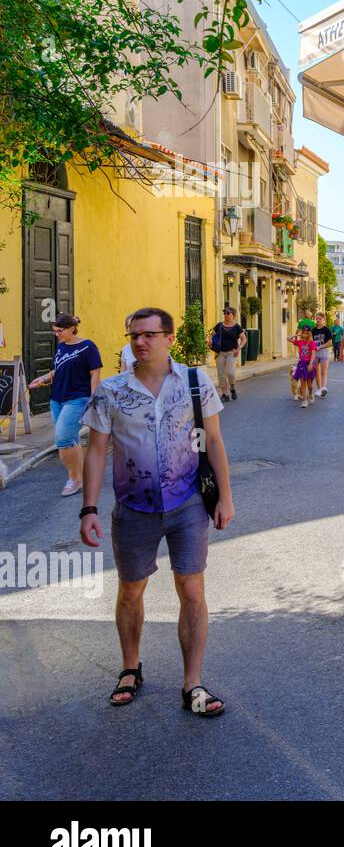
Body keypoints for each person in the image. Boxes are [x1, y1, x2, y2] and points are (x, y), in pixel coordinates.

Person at [80, 307, 234, 718]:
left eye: (149, 334)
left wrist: (225, 497)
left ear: (169, 337)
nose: (140, 342)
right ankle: (130, 669)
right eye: (134, 335)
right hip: (133, 508)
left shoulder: (196, 382)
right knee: (131, 590)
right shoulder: (112, 391)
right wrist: (89, 508)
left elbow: (214, 442)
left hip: (187, 504)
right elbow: (96, 452)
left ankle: (193, 684)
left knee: (193, 592)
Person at [27, 313, 102, 497]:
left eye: (60, 331)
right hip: (57, 399)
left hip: (77, 399)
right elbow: (59, 369)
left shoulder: (88, 347)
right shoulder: (61, 348)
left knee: (62, 440)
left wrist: (94, 400)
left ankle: (74, 478)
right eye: (55, 332)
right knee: (72, 439)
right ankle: (81, 476)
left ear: (72, 328)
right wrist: (42, 379)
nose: (57, 334)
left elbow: (95, 374)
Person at [209, 306, 246, 402]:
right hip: (220, 352)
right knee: (221, 374)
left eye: (228, 313)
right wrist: (209, 340)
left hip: (231, 353)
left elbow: (244, 339)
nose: (226, 315)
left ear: (233, 315)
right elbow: (211, 334)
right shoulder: (220, 325)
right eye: (224, 313)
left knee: (230, 372)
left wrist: (239, 348)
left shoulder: (236, 327)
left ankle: (232, 387)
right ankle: (224, 394)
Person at [290, 321, 318, 408]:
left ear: (309, 334)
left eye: (306, 333)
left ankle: (310, 393)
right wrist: (297, 335)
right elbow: (288, 339)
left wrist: (311, 363)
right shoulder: (299, 342)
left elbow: (313, 353)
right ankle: (305, 401)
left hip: (309, 364)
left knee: (309, 385)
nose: (304, 335)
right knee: (303, 383)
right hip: (301, 365)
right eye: (303, 333)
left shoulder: (312, 343)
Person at [311, 312, 333, 398]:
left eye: (320, 318)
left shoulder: (326, 330)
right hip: (315, 353)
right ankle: (319, 389)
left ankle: (323, 388)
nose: (318, 320)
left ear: (323, 320)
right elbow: (311, 341)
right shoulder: (313, 330)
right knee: (317, 371)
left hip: (324, 351)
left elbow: (330, 342)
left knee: (324, 371)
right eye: (317, 318)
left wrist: (320, 346)